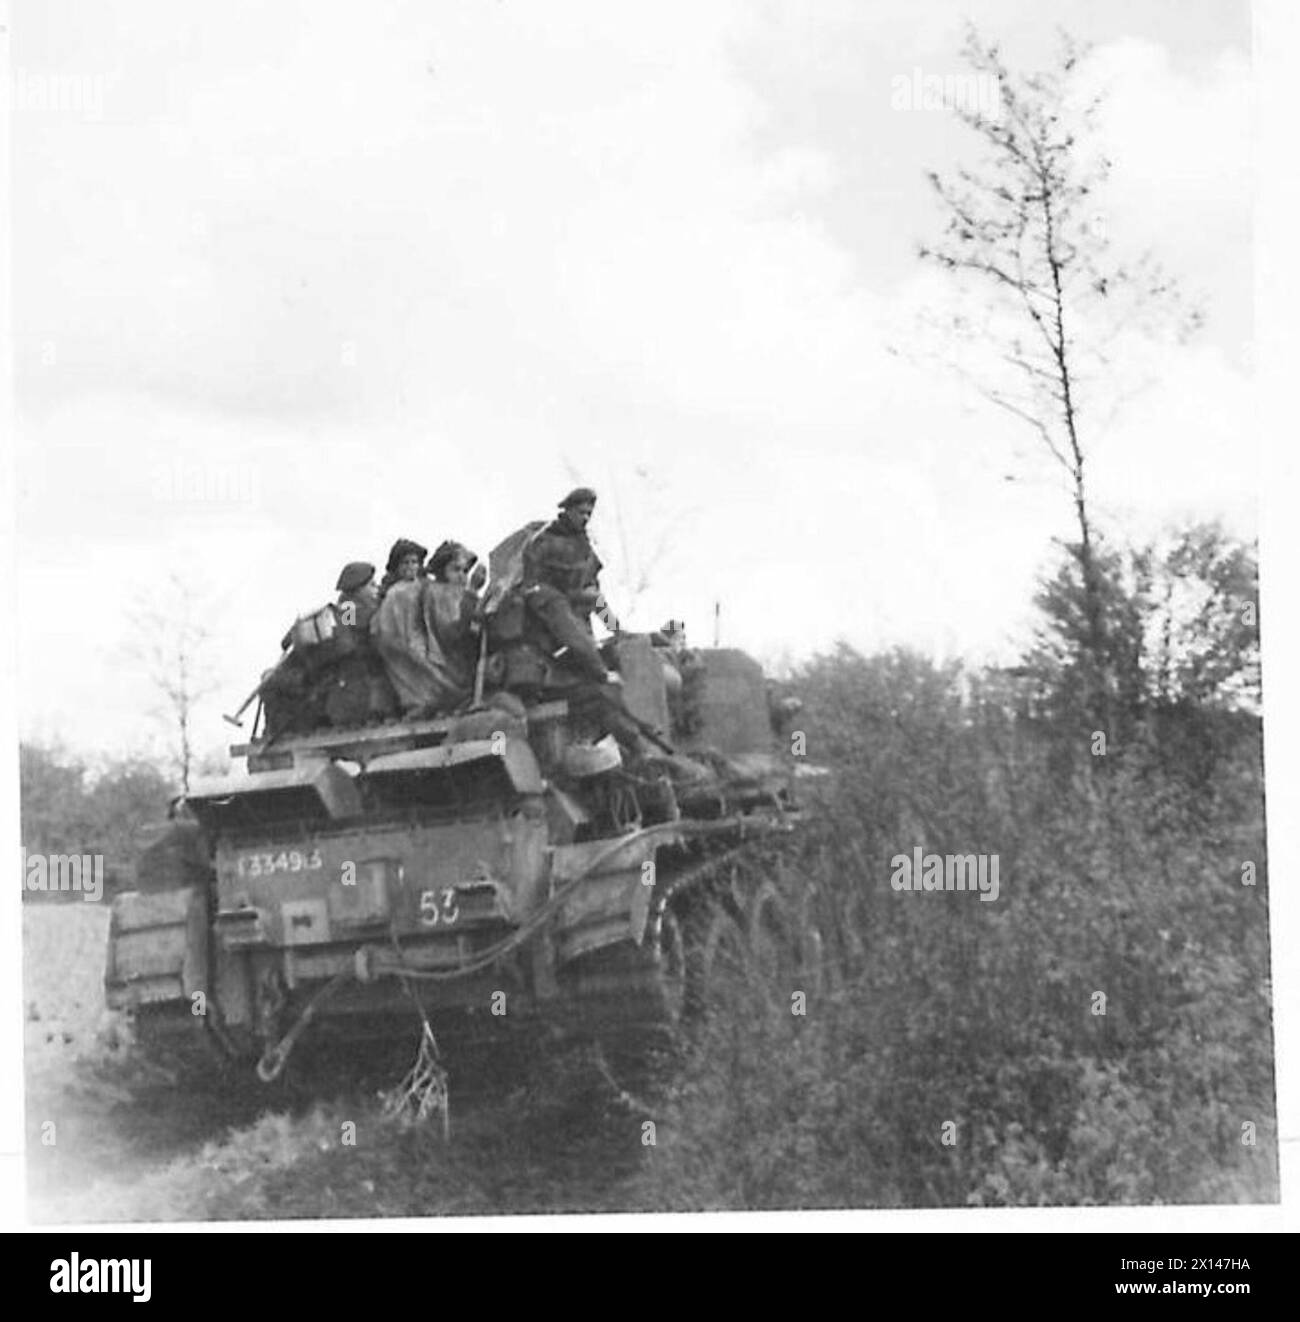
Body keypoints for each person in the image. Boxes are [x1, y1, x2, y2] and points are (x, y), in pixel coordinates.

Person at [521, 487, 619, 684]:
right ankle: (595, 666)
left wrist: (615, 629)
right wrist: (600, 671)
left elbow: (591, 589)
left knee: (593, 600)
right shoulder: (544, 540)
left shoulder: (584, 546)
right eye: (581, 512)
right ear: (567, 510)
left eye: (588, 514)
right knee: (563, 614)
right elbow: (532, 580)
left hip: (571, 601)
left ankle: (614, 639)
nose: (585, 518)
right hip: (544, 603)